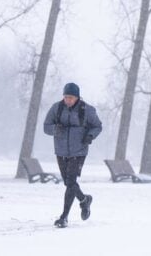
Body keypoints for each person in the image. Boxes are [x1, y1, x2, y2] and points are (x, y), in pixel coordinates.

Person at [43, 82, 102, 228]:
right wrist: (56, 129)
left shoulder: (87, 110)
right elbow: (46, 126)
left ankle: (64, 217)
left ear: (77, 97)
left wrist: (90, 136)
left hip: (79, 151)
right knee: (68, 182)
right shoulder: (56, 108)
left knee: (70, 182)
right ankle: (84, 200)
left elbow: (97, 126)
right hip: (61, 150)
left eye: (71, 98)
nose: (68, 100)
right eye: (66, 97)